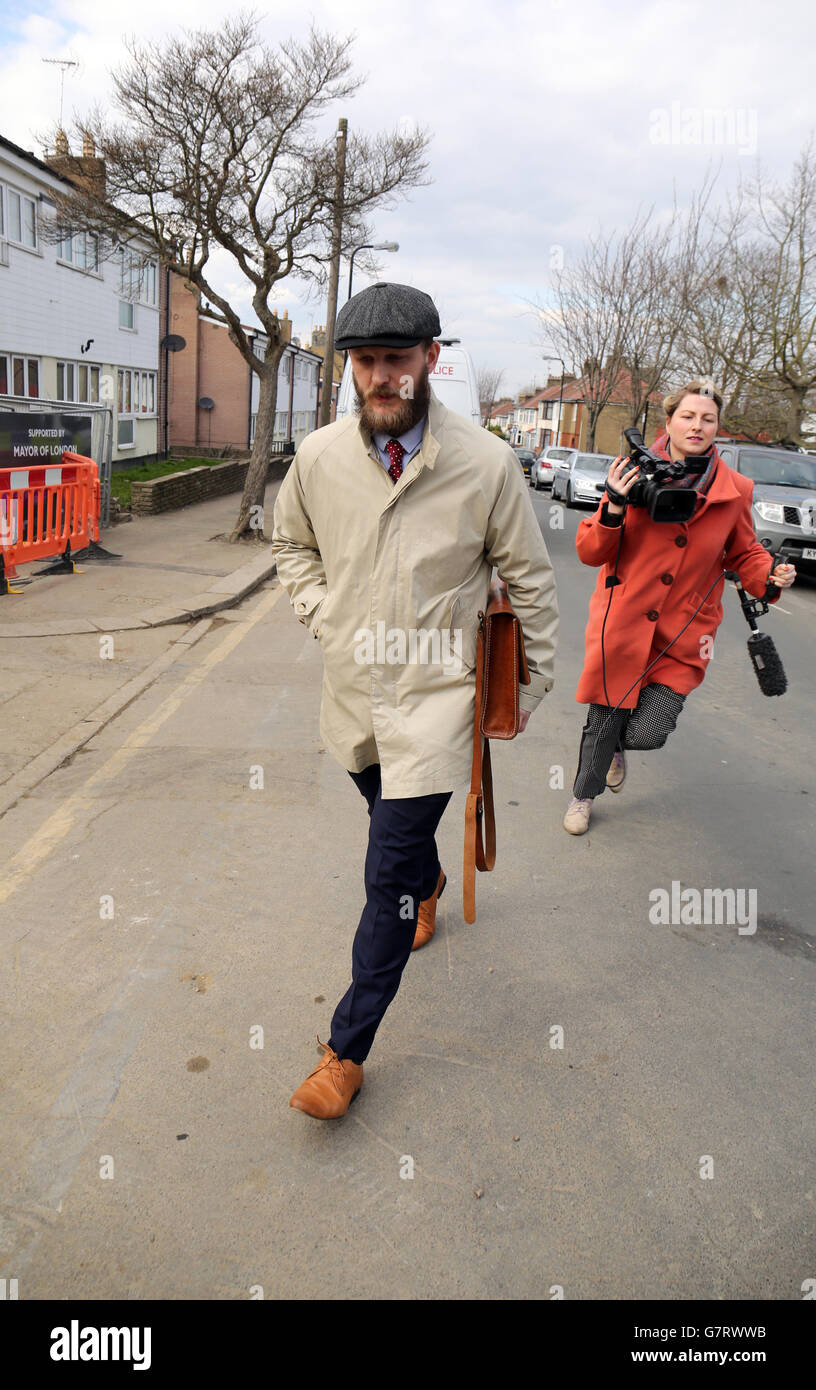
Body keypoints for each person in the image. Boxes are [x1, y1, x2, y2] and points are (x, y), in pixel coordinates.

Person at [271, 281, 559, 1117]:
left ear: (432, 359)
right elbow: (291, 544)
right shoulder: (320, 457)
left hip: (439, 703)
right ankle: (429, 883)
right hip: (355, 698)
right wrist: (323, 615)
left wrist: (525, 689)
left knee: (383, 871)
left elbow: (532, 584)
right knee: (392, 833)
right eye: (365, 362)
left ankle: (344, 1051)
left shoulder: (486, 462)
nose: (381, 378)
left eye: (397, 360)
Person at [563, 379, 796, 835]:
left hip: (686, 629)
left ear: (717, 428)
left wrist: (768, 574)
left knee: (649, 730)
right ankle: (582, 798)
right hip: (625, 618)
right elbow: (591, 550)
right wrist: (613, 503)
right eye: (688, 416)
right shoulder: (631, 472)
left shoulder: (736, 489)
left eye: (708, 418)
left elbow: (744, 552)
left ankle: (616, 746)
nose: (697, 425)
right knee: (605, 714)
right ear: (668, 421)